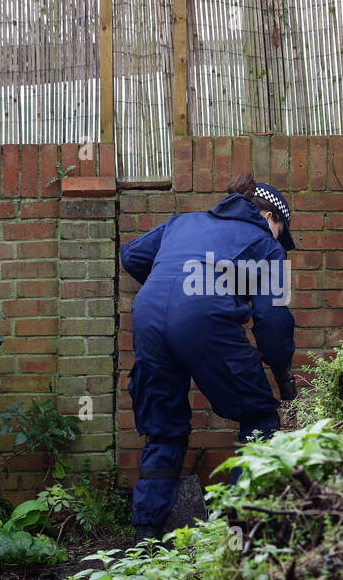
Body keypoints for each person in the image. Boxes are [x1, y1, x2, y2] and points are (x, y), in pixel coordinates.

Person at [120, 174, 297, 543]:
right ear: (268, 217)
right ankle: (240, 532)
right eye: (281, 229)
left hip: (148, 317)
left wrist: (169, 282)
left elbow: (132, 255)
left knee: (163, 429)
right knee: (259, 415)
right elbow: (273, 321)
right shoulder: (266, 245)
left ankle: (144, 540)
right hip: (204, 320)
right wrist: (283, 378)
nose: (279, 238)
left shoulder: (184, 221)